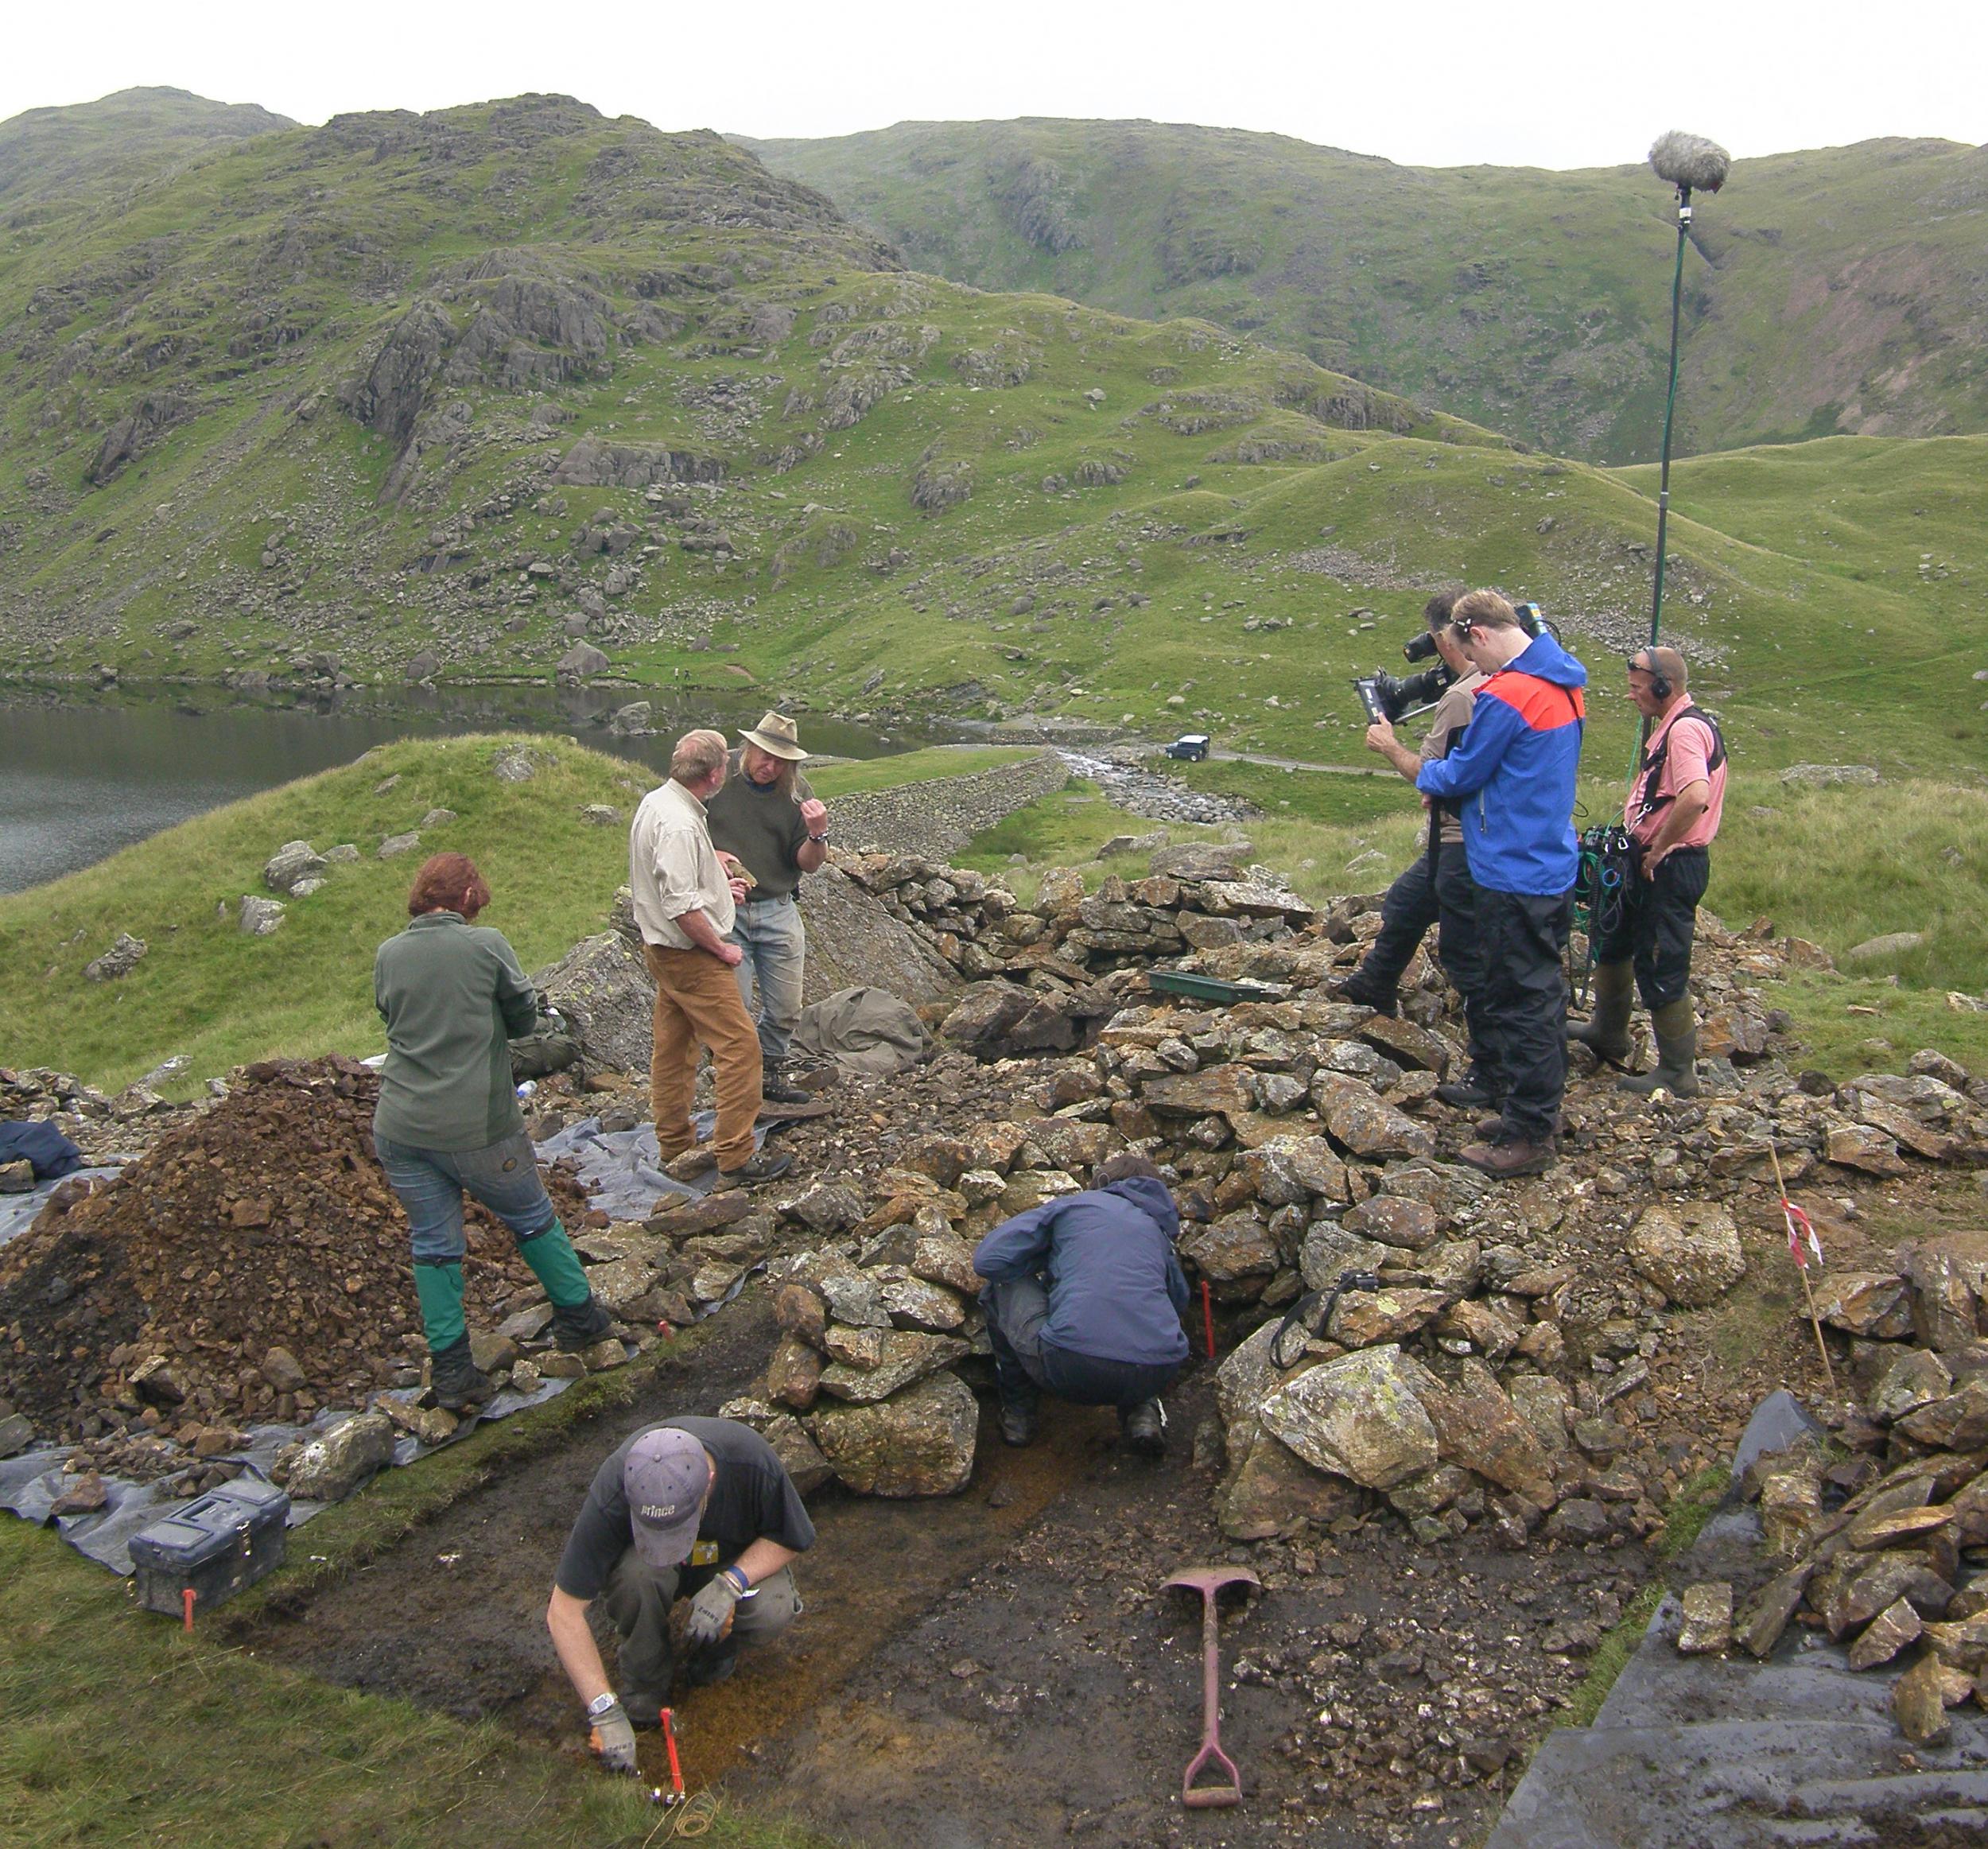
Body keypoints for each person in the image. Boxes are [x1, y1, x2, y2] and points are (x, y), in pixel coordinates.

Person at [371, 853, 611, 1408]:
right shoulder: (486, 945)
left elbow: (391, 1016)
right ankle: (580, 1318)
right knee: (531, 1216)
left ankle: (453, 1371)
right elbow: (525, 1020)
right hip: (476, 1124)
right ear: (468, 897)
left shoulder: (388, 953)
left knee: (433, 1244)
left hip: (400, 1126)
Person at [1411, 590, 1588, 1178]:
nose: (1475, 668)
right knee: (1541, 994)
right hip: (1548, 860)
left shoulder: (1509, 693)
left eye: (1472, 654)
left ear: (1480, 634)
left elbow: (1462, 773)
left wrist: (1430, 776)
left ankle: (1529, 1133)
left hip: (1511, 869)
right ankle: (1537, 1112)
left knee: (1521, 1001)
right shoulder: (1562, 679)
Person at [546, 1418, 815, 1772]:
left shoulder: (751, 1462)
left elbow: (790, 1537)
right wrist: (603, 1710)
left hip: (728, 1559)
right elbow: (563, 1612)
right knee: (635, 1579)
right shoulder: (616, 1484)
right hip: (650, 1569)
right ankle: (645, 1682)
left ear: (709, 1481)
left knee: (771, 1606)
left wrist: (731, 1584)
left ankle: (714, 1655)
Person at [1353, 588, 1499, 1110]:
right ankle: (1375, 982)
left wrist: (1390, 746)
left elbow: (1431, 778)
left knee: (1466, 956)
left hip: (1464, 840)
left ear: (1444, 638)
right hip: (1474, 837)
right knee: (1408, 899)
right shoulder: (1502, 682)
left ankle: (1494, 1070)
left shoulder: (1463, 696)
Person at [628, 730, 791, 1187]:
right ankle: (736, 1156)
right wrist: (721, 947)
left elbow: (677, 883)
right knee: (740, 1048)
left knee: (674, 1049)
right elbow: (681, 906)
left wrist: (718, 885)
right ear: (717, 774)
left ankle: (674, 1145)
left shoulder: (659, 802)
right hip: (691, 955)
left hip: (662, 951)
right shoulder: (680, 824)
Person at [1570, 645, 1726, 1097]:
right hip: (1647, 861)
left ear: (1663, 687)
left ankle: (1678, 1073)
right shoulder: (1675, 725)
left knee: (1661, 961)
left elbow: (1695, 796)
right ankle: (1607, 1031)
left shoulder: (1685, 731)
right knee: (1615, 939)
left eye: (1637, 688)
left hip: (1671, 867)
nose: (1630, 695)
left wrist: (1659, 849)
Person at [972, 1152, 1190, 1458]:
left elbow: (988, 1261)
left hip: (1070, 1365)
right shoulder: (1158, 1232)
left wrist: (1051, 1257)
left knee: (1001, 1286)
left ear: (1103, 1181)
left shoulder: (1075, 1205)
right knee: (1141, 1319)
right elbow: (1178, 1302)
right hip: (1158, 1369)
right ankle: (1143, 1412)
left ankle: (1018, 1417)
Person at [705, 713, 831, 1105]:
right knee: (734, 1008)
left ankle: (769, 1073)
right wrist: (711, 855)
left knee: (786, 1008)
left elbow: (808, 863)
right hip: (726, 909)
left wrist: (818, 834)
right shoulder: (716, 776)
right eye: (765, 756)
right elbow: (679, 827)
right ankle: (736, 1085)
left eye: (781, 761)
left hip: (778, 907)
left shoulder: (797, 791)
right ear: (749, 747)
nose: (771, 767)